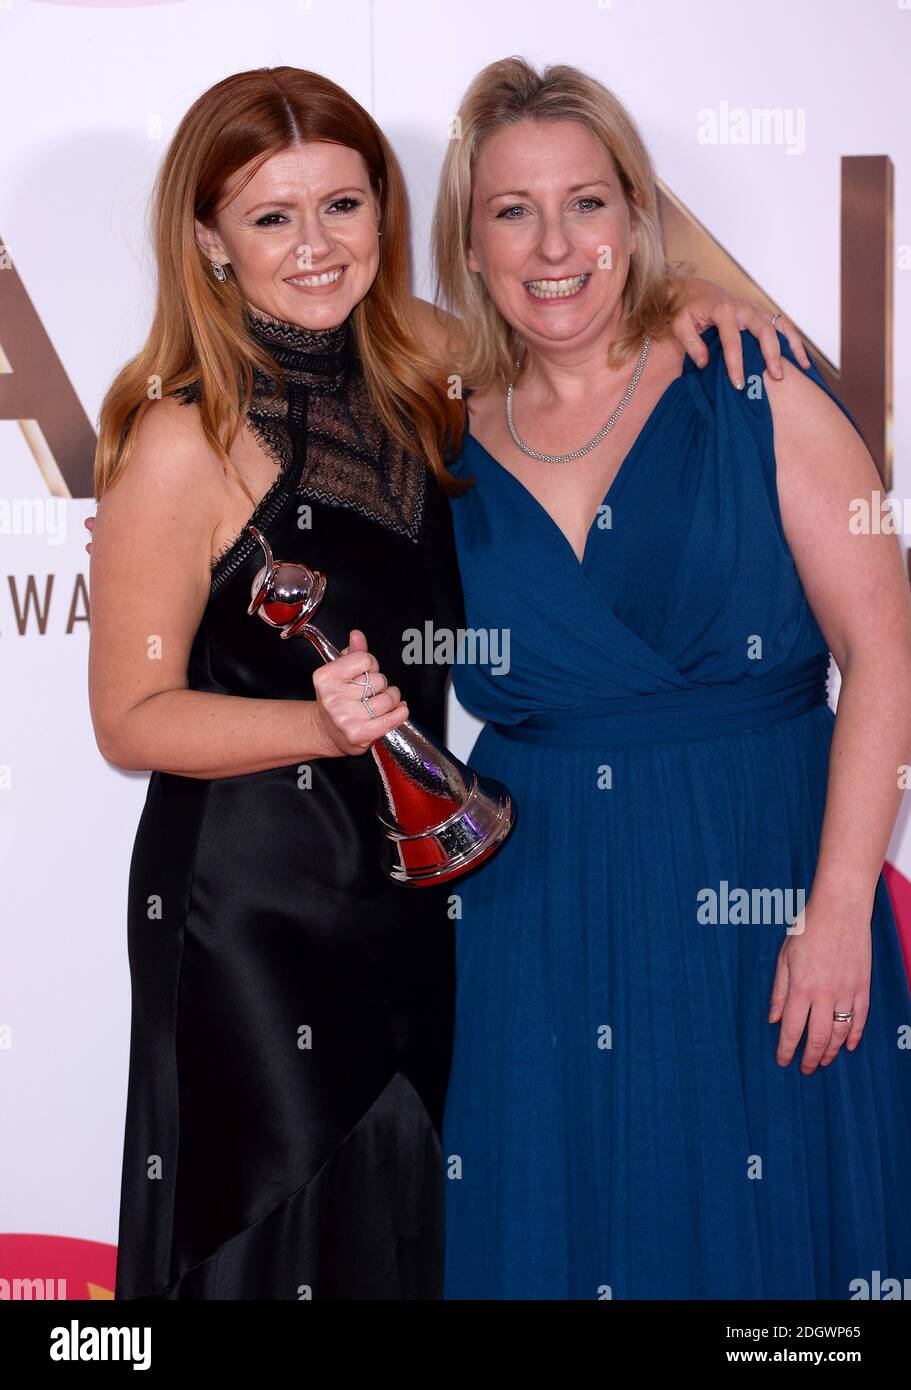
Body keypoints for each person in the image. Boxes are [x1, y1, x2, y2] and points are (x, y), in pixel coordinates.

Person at [85, 63, 804, 1301]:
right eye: (271, 217)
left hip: (420, 891)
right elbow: (127, 719)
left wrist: (683, 281)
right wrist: (305, 720)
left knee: (403, 1218)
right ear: (208, 240)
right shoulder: (177, 437)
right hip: (252, 909)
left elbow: (577, 294)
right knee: (275, 1215)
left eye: (343, 206)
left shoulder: (421, 361)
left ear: (385, 211)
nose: (316, 246)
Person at [432, 58, 911, 1299]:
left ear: (636, 218)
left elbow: (882, 651)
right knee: (559, 1216)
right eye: (511, 210)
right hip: (532, 911)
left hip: (762, 885)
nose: (553, 243)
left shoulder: (753, 385)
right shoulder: (435, 429)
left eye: (586, 202)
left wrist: (839, 910)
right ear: (468, 243)